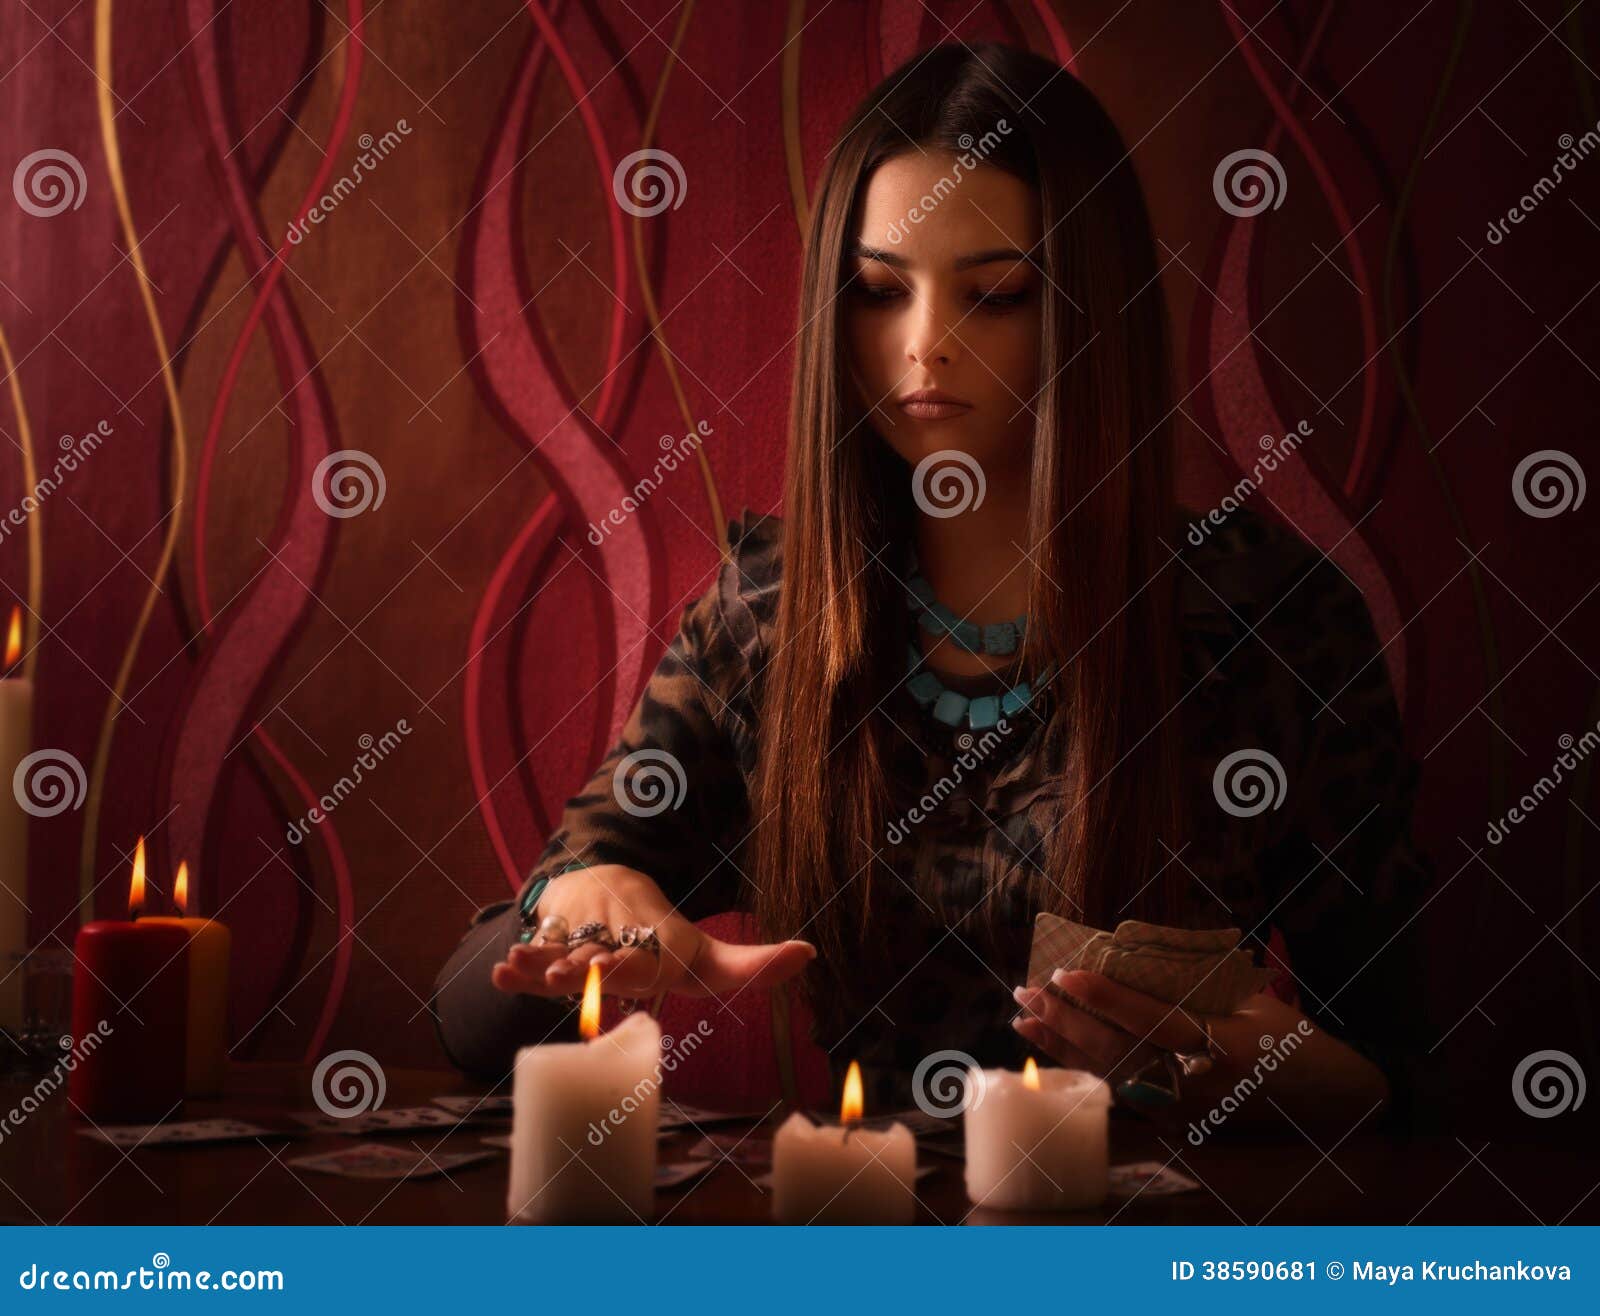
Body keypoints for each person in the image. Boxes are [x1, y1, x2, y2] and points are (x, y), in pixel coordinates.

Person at [431, 41, 1432, 1135]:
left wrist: (1243, 1073)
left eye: (996, 293)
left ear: (1087, 313)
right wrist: (583, 900)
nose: (923, 348)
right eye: (877, 291)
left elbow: (1408, 1076)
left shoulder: (1267, 620)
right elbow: (468, 1019)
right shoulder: (771, 614)